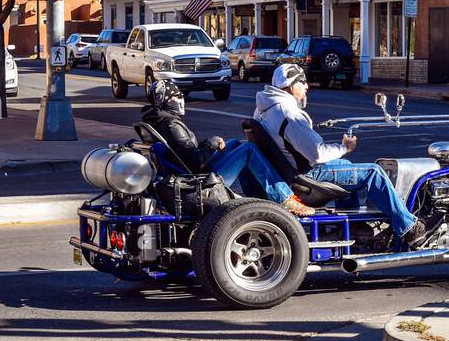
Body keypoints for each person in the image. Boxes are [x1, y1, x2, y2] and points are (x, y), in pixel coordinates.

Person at [255, 63, 426, 247]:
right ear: (290, 86)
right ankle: (408, 226)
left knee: (343, 165)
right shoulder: (288, 113)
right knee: (373, 172)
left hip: (288, 170)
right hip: (305, 176)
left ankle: (354, 227)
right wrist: (344, 146)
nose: (307, 86)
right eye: (302, 81)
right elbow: (318, 153)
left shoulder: (264, 109)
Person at [140, 80, 314, 216]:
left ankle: (257, 197)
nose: (181, 100)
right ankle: (283, 198)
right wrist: (212, 142)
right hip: (199, 181)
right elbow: (195, 161)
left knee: (235, 144)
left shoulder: (159, 120)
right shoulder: (171, 125)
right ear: (167, 100)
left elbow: (184, 151)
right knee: (248, 150)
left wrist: (209, 143)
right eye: (177, 96)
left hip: (191, 172)